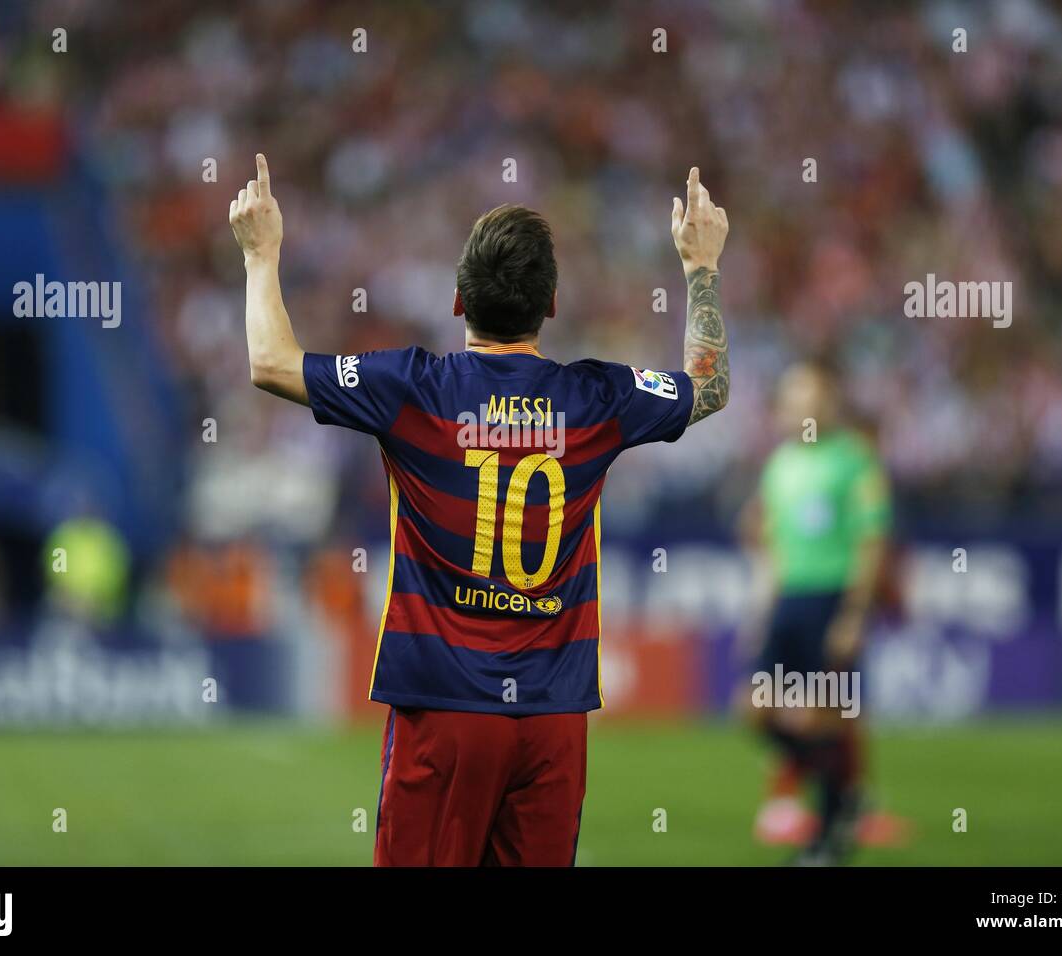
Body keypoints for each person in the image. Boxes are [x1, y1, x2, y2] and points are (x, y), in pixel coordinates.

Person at [230, 154, 730, 865]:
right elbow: (706, 389)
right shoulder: (596, 399)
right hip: (553, 718)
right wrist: (700, 264)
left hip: (443, 706)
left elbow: (270, 363)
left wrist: (261, 254)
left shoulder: (412, 389)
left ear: (458, 301)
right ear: (551, 304)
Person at [736, 359, 892, 865]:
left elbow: (871, 544)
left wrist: (854, 616)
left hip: (831, 600)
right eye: (794, 397)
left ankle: (826, 838)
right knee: (754, 708)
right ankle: (844, 795)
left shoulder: (854, 460)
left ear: (829, 402)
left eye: (812, 397)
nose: (803, 407)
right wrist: (761, 611)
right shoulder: (780, 463)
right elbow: (771, 547)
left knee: (824, 719)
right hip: (788, 603)